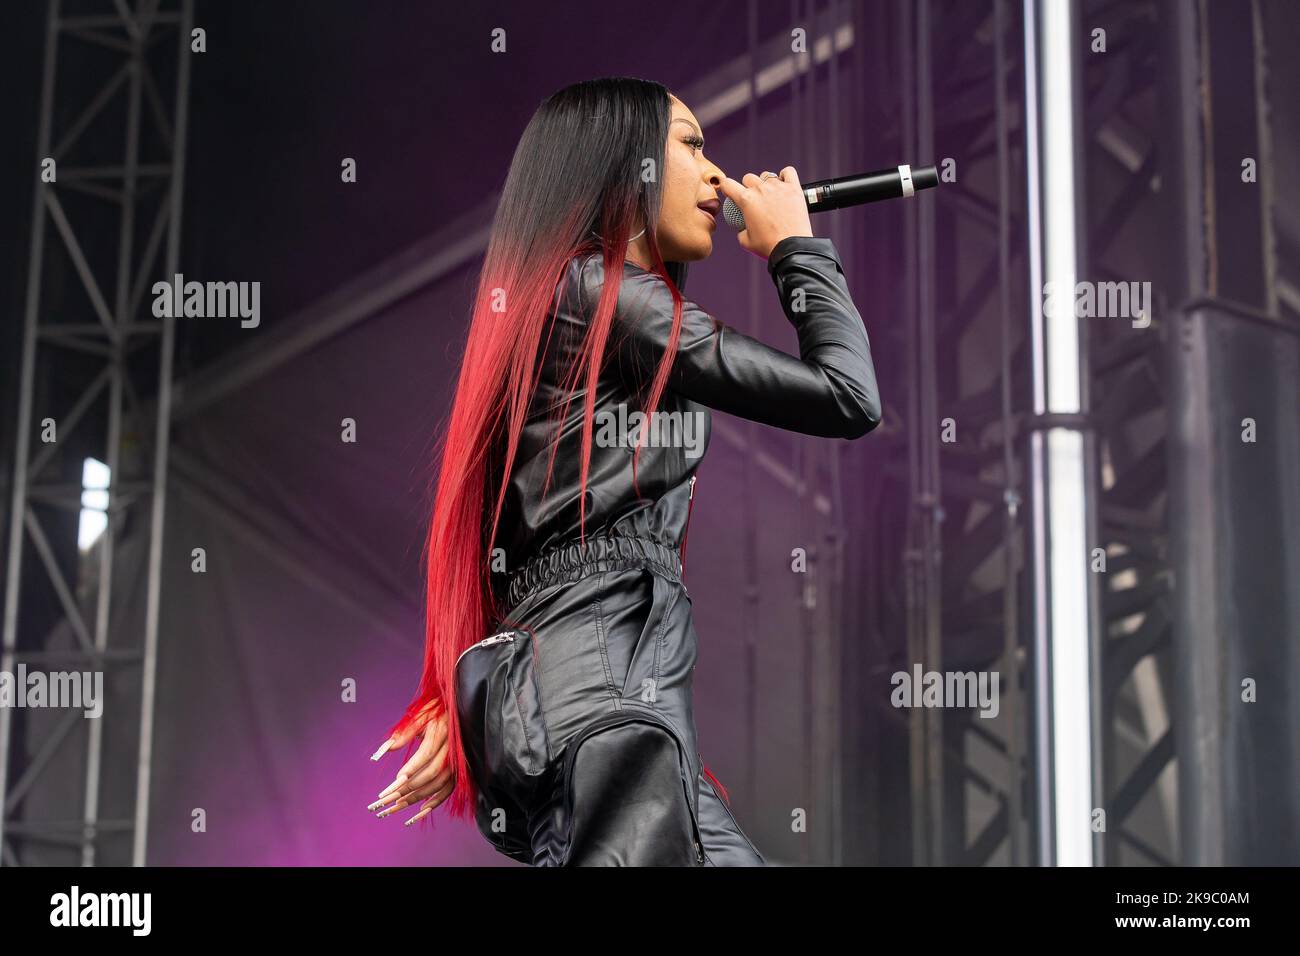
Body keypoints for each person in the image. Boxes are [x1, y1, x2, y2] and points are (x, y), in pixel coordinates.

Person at [367, 76, 881, 865]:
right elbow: (847, 396)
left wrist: (483, 684)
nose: (717, 175)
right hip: (609, 705)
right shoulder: (604, 294)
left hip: (604, 707)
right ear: (623, 164)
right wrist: (796, 251)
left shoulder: (573, 305)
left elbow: (508, 519)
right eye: (690, 144)